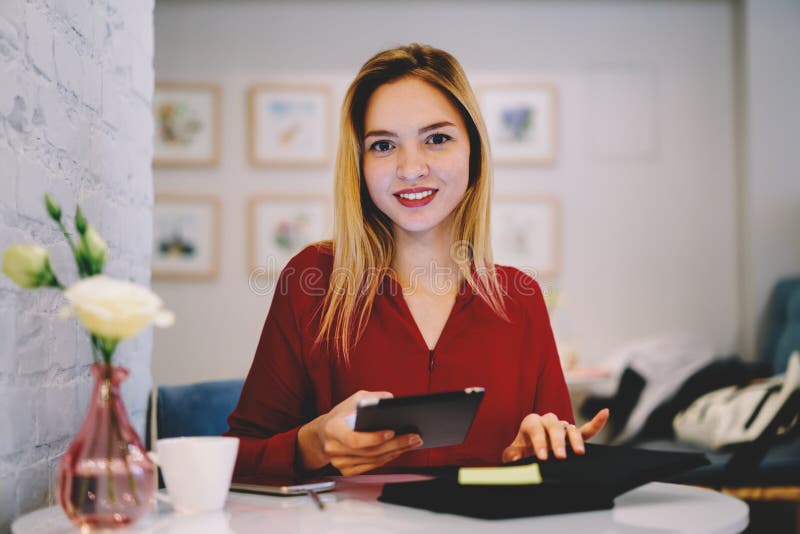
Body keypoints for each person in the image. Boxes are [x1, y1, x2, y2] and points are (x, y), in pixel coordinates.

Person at [225, 44, 608, 479]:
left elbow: (557, 469)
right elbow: (233, 459)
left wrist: (534, 459)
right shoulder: (312, 280)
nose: (410, 168)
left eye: (437, 139)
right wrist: (309, 445)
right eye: (384, 145)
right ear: (360, 164)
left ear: (473, 152)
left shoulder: (520, 300)